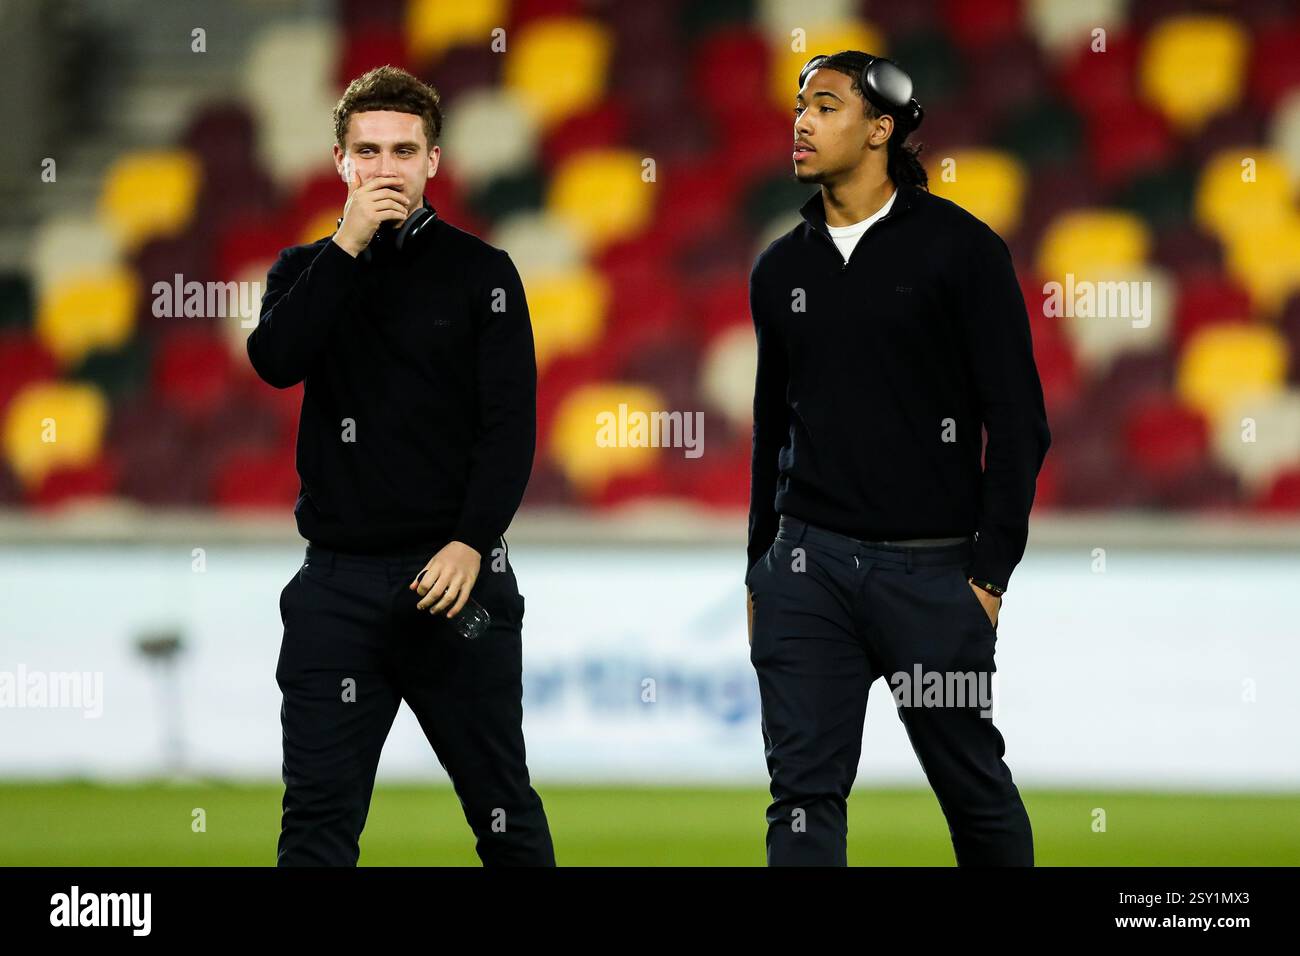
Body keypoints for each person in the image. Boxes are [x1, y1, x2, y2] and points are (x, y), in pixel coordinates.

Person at [745, 51, 1051, 866]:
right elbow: (770, 430)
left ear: (880, 129)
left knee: (974, 792)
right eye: (800, 105)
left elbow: (1020, 423)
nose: (803, 121)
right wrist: (758, 571)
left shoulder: (963, 252)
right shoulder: (780, 269)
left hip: (934, 577)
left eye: (827, 105)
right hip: (805, 573)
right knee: (802, 800)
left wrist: (988, 575)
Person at [247, 65, 555, 866]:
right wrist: (348, 244)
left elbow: (510, 429)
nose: (387, 167)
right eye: (368, 150)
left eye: (404, 150)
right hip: (336, 589)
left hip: (455, 583)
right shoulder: (304, 270)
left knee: (502, 812)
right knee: (316, 821)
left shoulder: (484, 274)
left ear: (434, 163)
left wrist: (469, 541)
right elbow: (276, 361)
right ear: (341, 162)